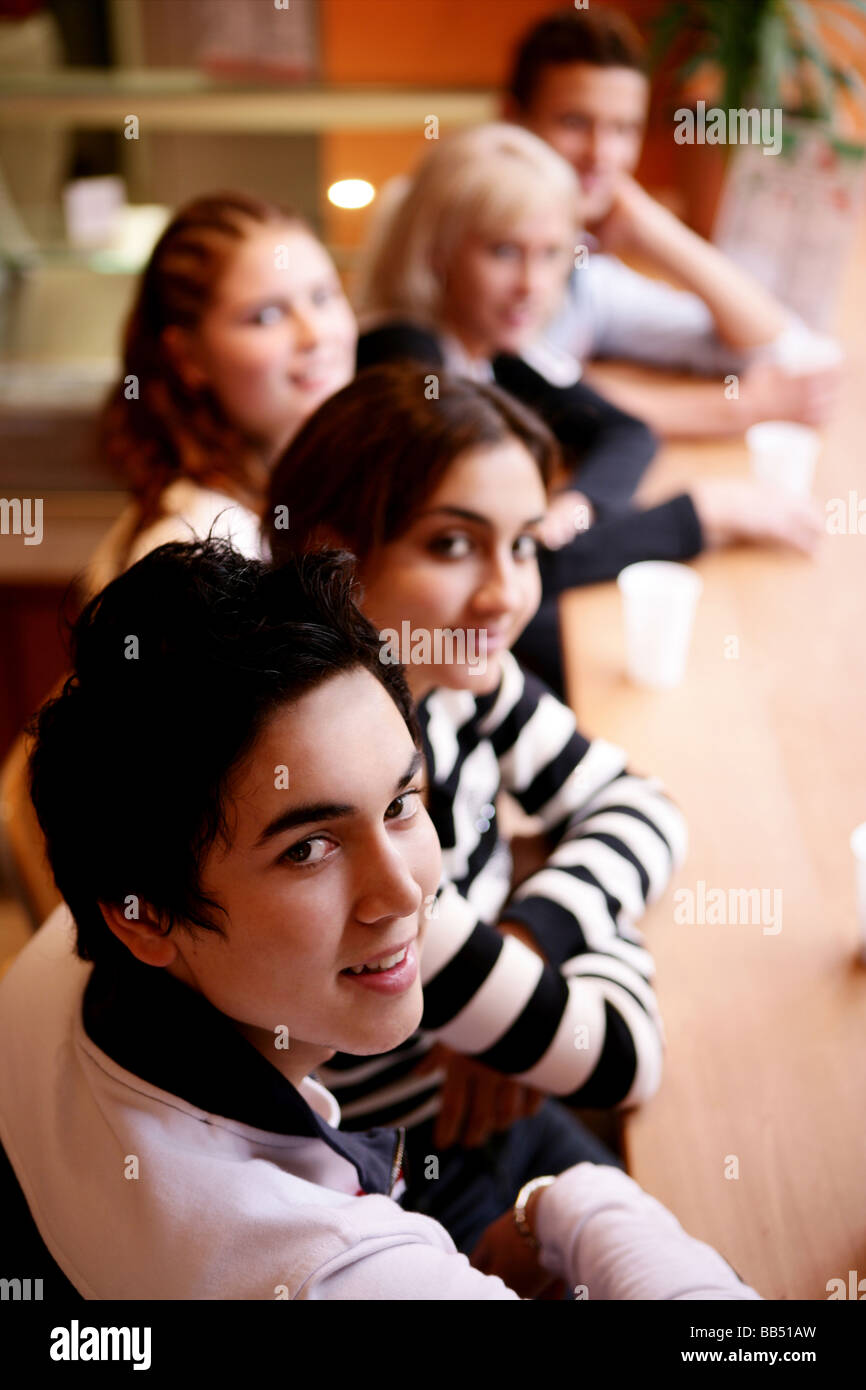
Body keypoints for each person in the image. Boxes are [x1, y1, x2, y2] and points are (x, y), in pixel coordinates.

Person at [1, 538, 761, 1300]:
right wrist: (581, 1206)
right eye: (308, 849)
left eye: (402, 804)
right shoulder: (333, 1271)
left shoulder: (54, 966)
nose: (404, 894)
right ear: (146, 917)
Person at [266, 364, 690, 1251]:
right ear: (332, 554)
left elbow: (644, 806)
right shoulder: (358, 808)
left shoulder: (462, 679)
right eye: (454, 545)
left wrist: (533, 941)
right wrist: (562, 968)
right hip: (403, 1181)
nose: (505, 593)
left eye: (525, 543)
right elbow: (620, 1058)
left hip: (491, 1104)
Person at [353, 123, 823, 688]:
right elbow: (506, 579)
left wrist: (574, 508)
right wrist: (704, 512)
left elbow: (626, 433)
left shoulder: (491, 349)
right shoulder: (406, 363)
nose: (531, 283)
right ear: (437, 252)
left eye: (551, 254)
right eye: (503, 251)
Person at [505, 6, 842, 437]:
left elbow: (778, 347)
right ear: (513, 117)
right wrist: (747, 406)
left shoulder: (583, 269)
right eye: (575, 122)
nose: (601, 155)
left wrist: (653, 228)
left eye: (623, 129)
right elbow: (518, 405)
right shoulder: (465, 241)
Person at [87, 190, 357, 591]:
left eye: (323, 296)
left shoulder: (277, 500)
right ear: (187, 357)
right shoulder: (203, 540)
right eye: (266, 316)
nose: (315, 334)